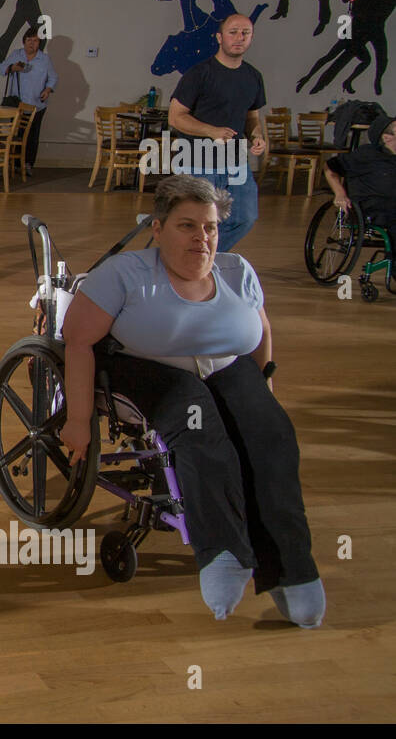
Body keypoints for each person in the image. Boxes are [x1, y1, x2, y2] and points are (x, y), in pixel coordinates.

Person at [61, 175, 325, 628]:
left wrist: (262, 389)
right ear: (158, 229)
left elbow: (261, 333)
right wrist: (79, 419)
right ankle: (223, 553)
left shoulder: (237, 270)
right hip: (145, 366)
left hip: (225, 365)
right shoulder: (124, 275)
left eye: (210, 227)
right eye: (187, 226)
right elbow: (78, 342)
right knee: (199, 428)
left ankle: (292, 573)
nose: (201, 237)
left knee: (273, 437)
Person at [166, 13, 267, 251]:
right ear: (219, 37)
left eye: (245, 33)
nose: (239, 37)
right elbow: (175, 117)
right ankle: (189, 261)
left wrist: (257, 136)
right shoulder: (199, 74)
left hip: (235, 161)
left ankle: (205, 258)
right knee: (197, 221)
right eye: (233, 32)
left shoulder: (253, 77)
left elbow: (252, 117)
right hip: (196, 161)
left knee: (245, 217)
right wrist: (211, 131)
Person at [0, 26, 58, 177]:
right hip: (17, 104)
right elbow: (1, 68)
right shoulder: (16, 54)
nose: (32, 43)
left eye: (35, 41)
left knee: (32, 136)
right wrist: (13, 67)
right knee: (16, 134)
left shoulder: (44, 59)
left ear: (39, 43)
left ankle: (28, 164)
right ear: (24, 42)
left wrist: (48, 89)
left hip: (37, 104)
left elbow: (53, 77)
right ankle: (14, 164)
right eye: (29, 40)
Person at [322, 114, 396, 232]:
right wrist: (340, 193)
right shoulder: (367, 154)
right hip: (371, 207)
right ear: (387, 137)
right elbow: (330, 167)